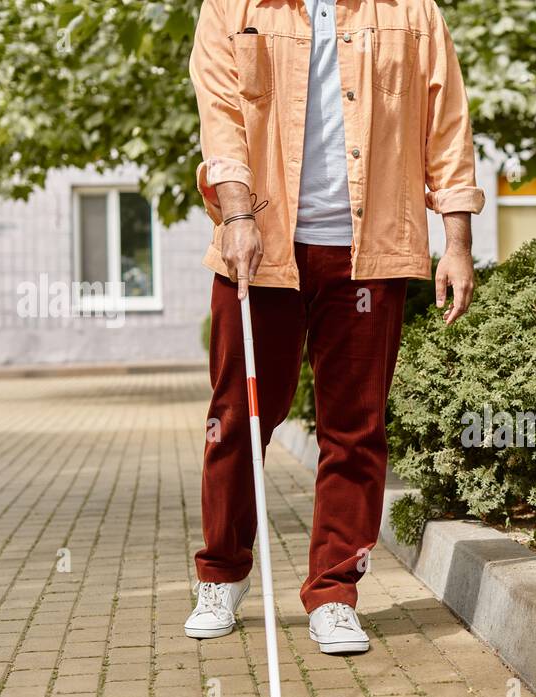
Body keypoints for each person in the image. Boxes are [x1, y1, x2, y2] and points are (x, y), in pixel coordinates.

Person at [184, 0, 483, 653]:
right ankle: (222, 575)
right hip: (261, 249)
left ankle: (335, 593)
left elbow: (448, 128)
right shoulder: (234, 7)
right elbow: (222, 116)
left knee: (355, 428)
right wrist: (235, 215)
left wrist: (456, 243)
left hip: (369, 249)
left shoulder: (411, 11)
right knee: (239, 419)